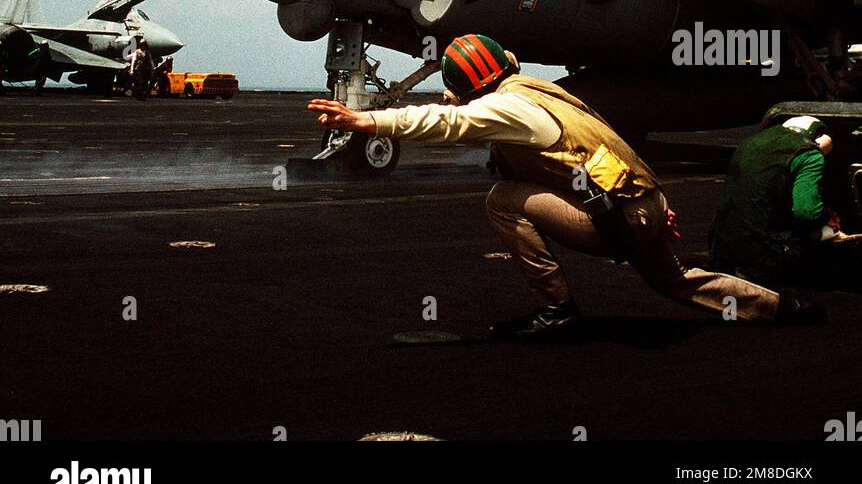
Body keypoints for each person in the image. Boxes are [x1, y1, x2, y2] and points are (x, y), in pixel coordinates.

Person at [309, 34, 813, 339]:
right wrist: (655, 205)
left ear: (469, 83)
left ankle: (557, 310)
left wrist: (367, 122)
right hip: (640, 202)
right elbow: (607, 143)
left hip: (621, 216)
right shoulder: (546, 92)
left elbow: (444, 122)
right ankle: (782, 307)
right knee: (676, 281)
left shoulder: (504, 108)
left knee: (503, 201)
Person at [709, 115, 839, 289]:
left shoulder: (750, 144)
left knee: (731, 309)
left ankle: (730, 314)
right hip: (763, 255)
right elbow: (806, 212)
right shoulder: (809, 154)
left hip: (720, 247)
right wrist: (826, 218)